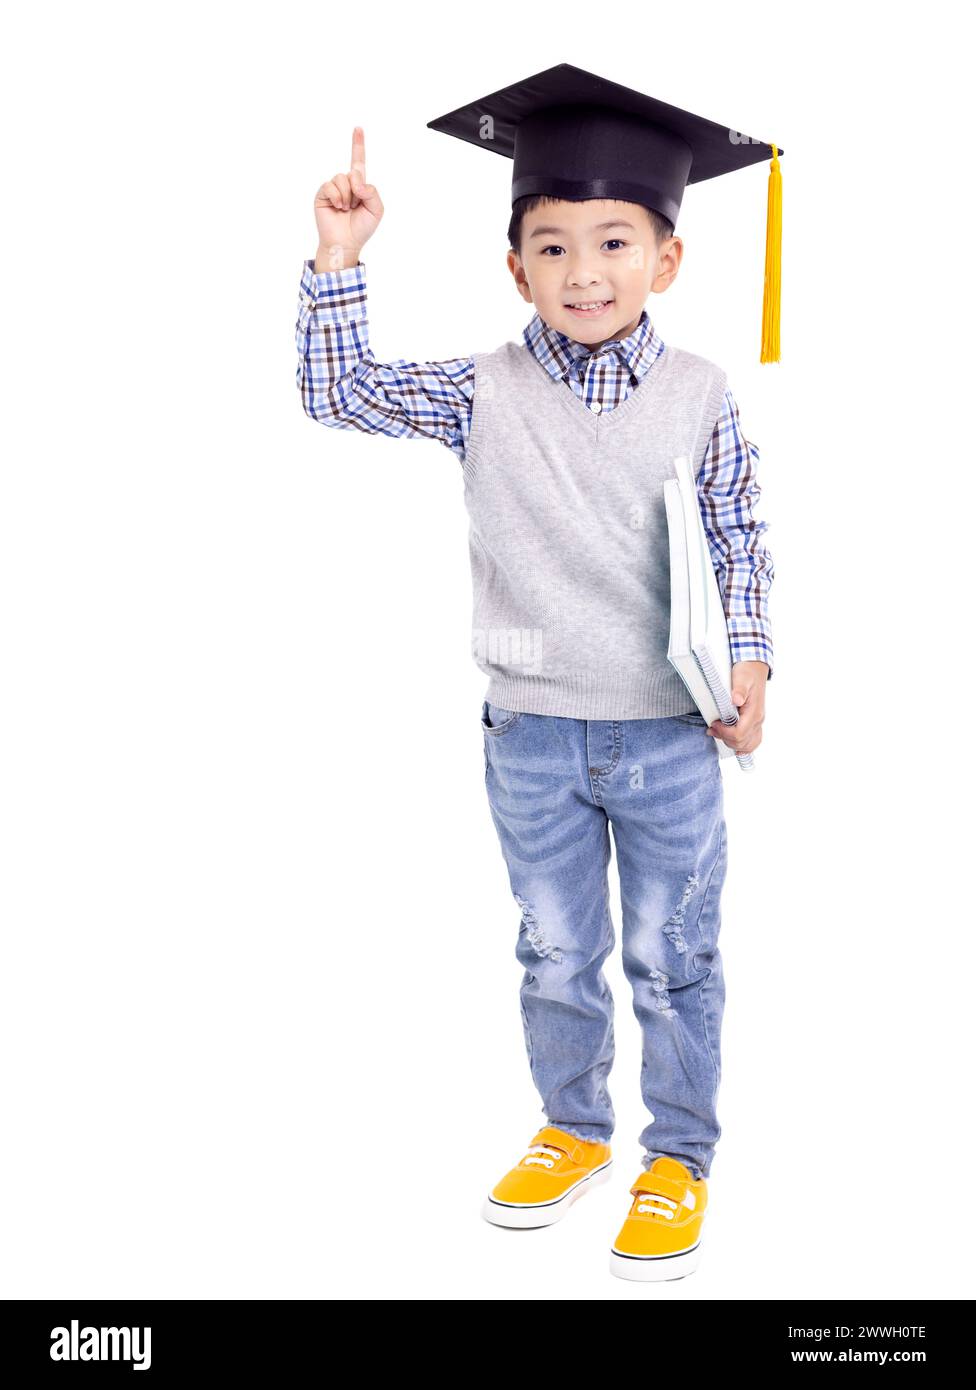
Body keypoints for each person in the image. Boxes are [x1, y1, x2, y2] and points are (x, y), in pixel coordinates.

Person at [295, 64, 779, 1282]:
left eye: (615, 240)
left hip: (672, 731)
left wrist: (757, 657)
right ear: (515, 266)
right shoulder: (478, 392)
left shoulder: (702, 394)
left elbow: (734, 529)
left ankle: (676, 1154)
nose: (583, 270)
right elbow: (336, 390)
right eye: (551, 244)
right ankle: (573, 1129)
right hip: (530, 733)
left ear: (666, 258)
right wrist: (340, 256)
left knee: (672, 952)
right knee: (555, 949)